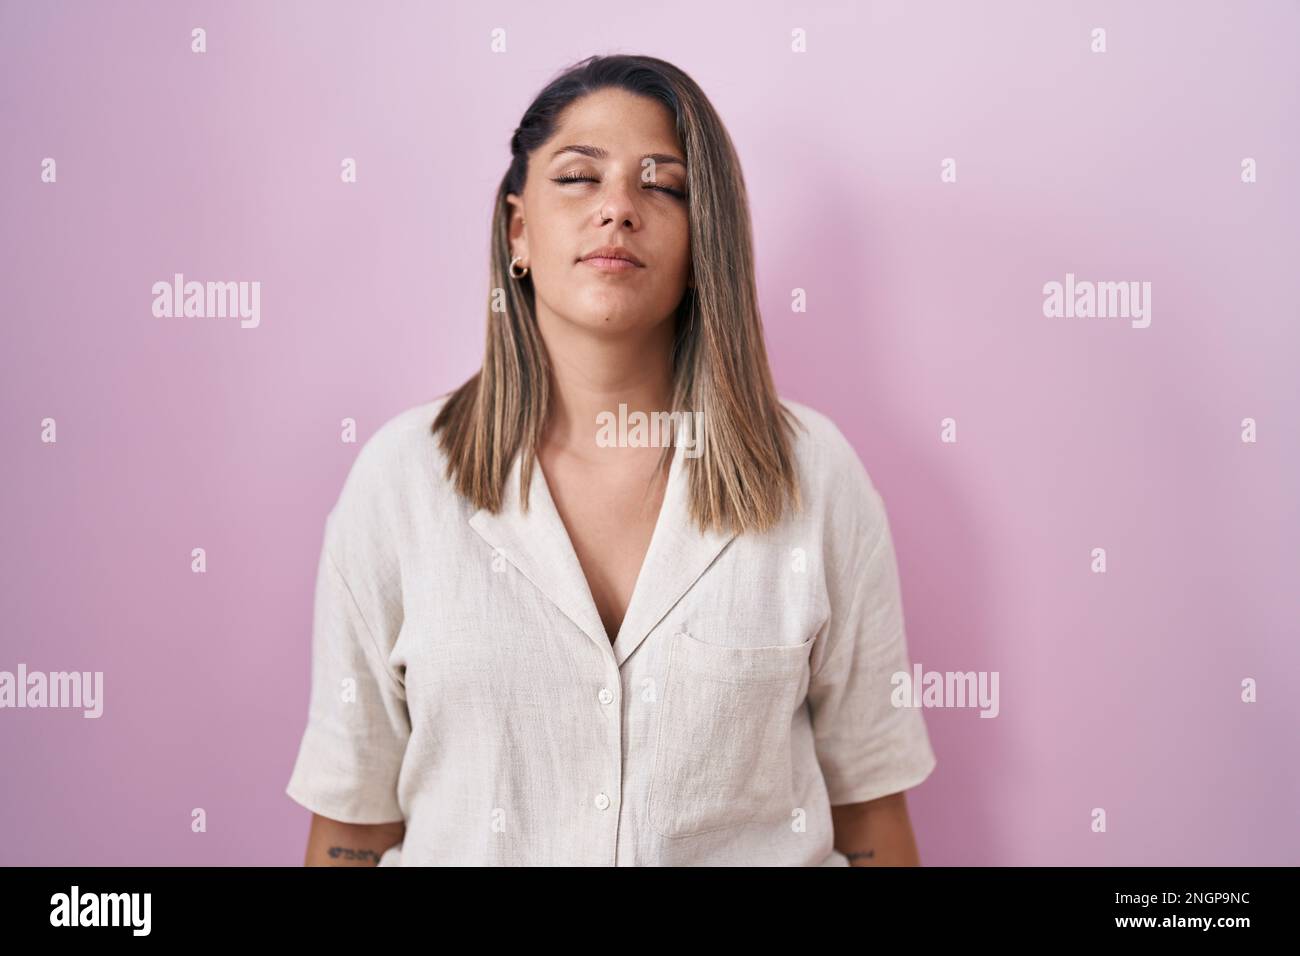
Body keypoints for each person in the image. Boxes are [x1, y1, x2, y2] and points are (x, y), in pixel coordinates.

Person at [286, 53, 937, 866]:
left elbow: (872, 819)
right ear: (519, 229)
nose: (619, 209)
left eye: (662, 185)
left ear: (707, 244)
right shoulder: (400, 482)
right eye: (578, 178)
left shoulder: (815, 479)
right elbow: (351, 830)